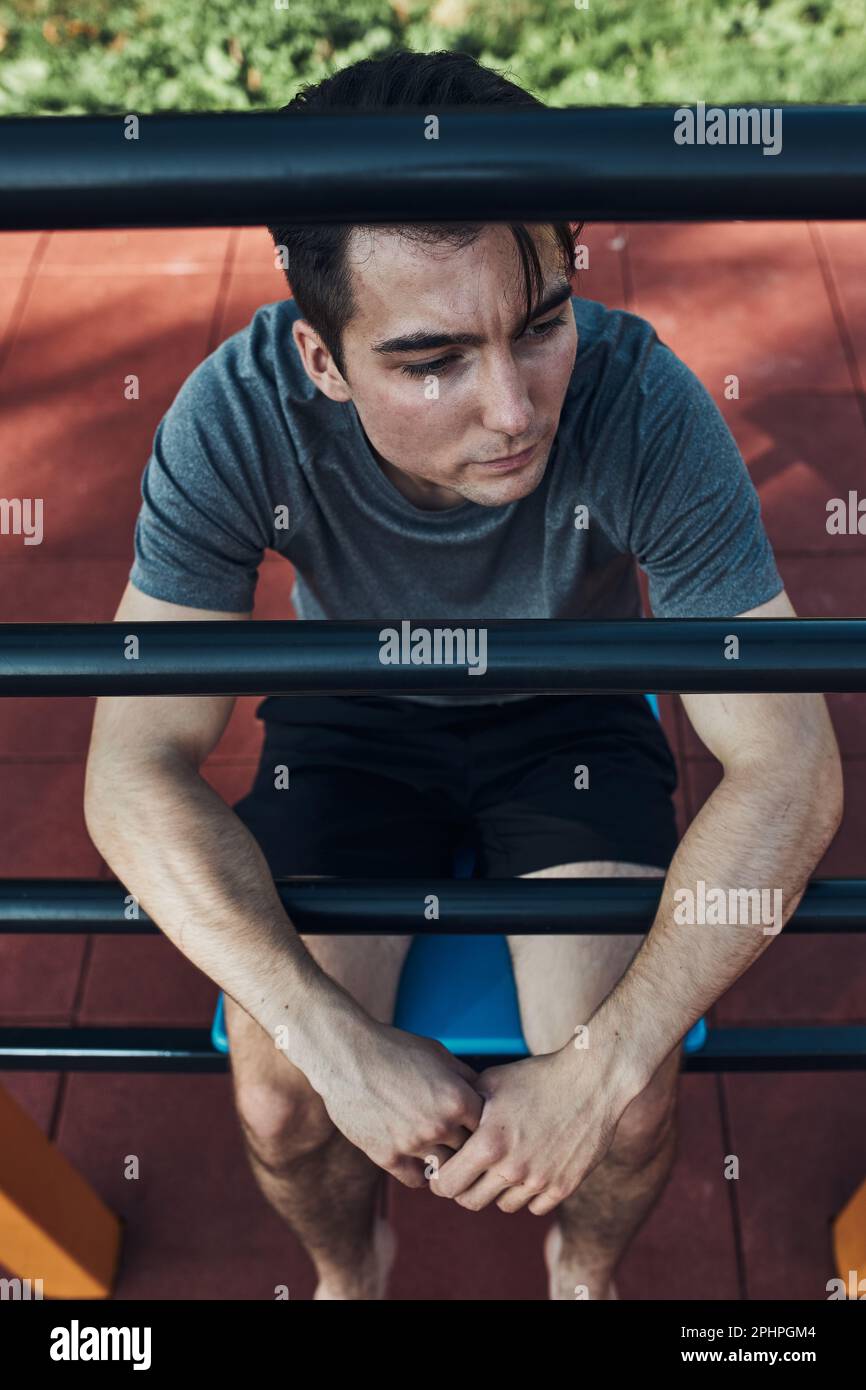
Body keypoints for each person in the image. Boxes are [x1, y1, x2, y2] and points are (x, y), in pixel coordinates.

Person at [83, 50, 843, 1301]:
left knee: (638, 1097)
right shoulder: (237, 413)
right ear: (322, 361)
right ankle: (350, 1269)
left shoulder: (637, 396)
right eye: (432, 360)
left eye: (538, 326)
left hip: (572, 707)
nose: (510, 409)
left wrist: (595, 1072)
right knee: (277, 1093)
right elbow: (129, 764)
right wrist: (327, 1040)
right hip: (351, 708)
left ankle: (581, 1272)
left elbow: (789, 761)